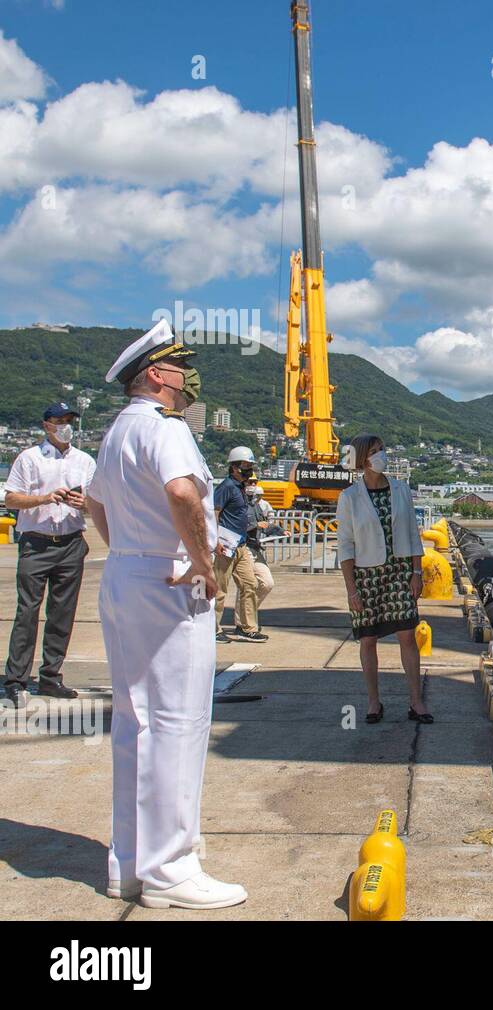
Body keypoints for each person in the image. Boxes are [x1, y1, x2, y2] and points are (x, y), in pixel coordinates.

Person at [83, 318, 247, 909]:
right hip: (169, 581)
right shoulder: (164, 427)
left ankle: (128, 862)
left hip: (126, 574)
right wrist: (203, 562)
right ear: (156, 374)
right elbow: (182, 492)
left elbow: (97, 504)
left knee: (135, 721)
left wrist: (128, 549)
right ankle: (172, 868)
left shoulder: (115, 433)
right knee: (178, 721)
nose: (188, 375)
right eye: (179, 366)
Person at [2, 401, 96, 706]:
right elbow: (12, 498)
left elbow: (98, 501)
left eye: (70, 420)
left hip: (70, 541)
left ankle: (51, 675)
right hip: (36, 541)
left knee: (62, 612)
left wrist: (84, 504)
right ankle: (16, 679)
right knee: (27, 611)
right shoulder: (29, 459)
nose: (66, 425)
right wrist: (45, 498)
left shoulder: (84, 461)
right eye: (60, 420)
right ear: (47, 425)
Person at [336, 434, 431, 725]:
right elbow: (346, 546)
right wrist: (351, 590)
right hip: (367, 575)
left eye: (382, 450)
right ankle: (373, 702)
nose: (381, 456)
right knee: (368, 640)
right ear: (363, 459)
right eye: (375, 452)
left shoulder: (401, 489)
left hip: (400, 571)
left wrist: (417, 572)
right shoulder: (349, 497)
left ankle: (416, 702)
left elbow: (413, 533)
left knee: (407, 637)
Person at [212, 446, 266, 643]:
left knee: (249, 584)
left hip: (241, 545)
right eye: (245, 466)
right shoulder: (226, 487)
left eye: (250, 465)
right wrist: (215, 539)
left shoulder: (241, 488)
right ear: (234, 467)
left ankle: (247, 627)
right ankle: (213, 628)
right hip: (226, 544)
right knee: (220, 588)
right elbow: (215, 512)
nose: (249, 469)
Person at [239, 481, 274, 617]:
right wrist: (255, 525)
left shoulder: (259, 506)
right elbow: (237, 525)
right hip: (244, 547)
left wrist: (279, 530)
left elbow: (266, 523)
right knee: (247, 585)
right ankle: (243, 621)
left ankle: (248, 613)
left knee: (267, 583)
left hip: (256, 547)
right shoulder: (239, 505)